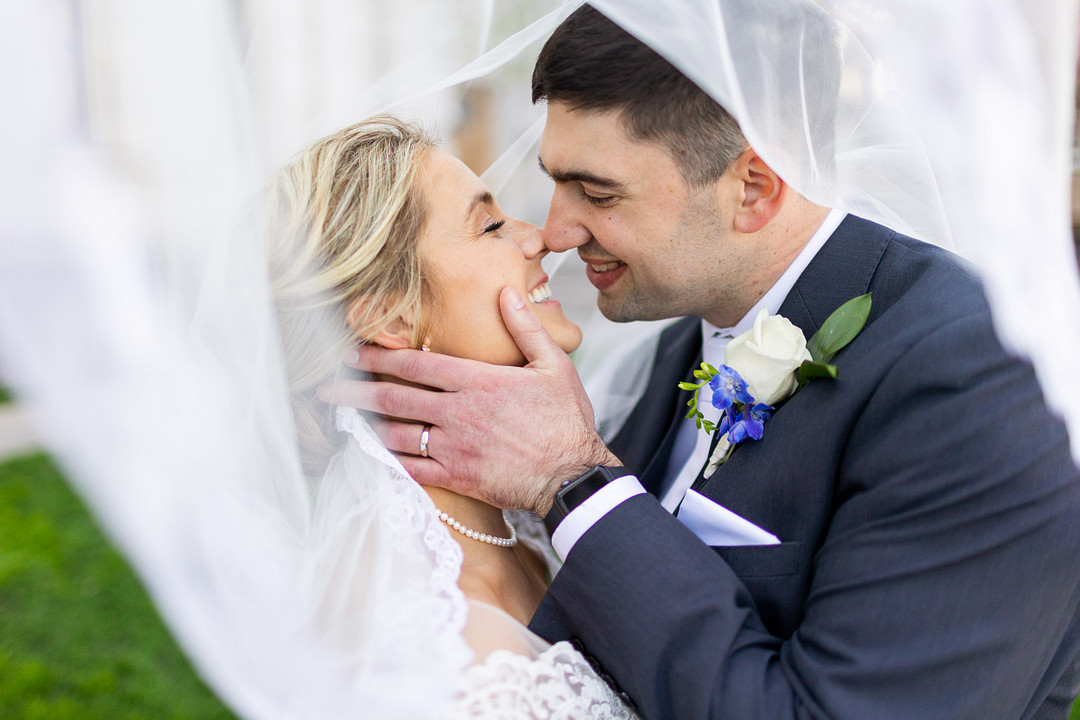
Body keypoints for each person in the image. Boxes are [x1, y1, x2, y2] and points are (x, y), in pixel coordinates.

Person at [335, 6, 1080, 719]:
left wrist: (574, 481)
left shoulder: (978, 380)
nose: (554, 231)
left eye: (597, 192)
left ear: (753, 189)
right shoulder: (680, 348)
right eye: (555, 180)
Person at [268, 115, 636, 718]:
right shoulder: (434, 646)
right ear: (392, 321)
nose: (539, 237)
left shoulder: (520, 527)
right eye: (490, 224)